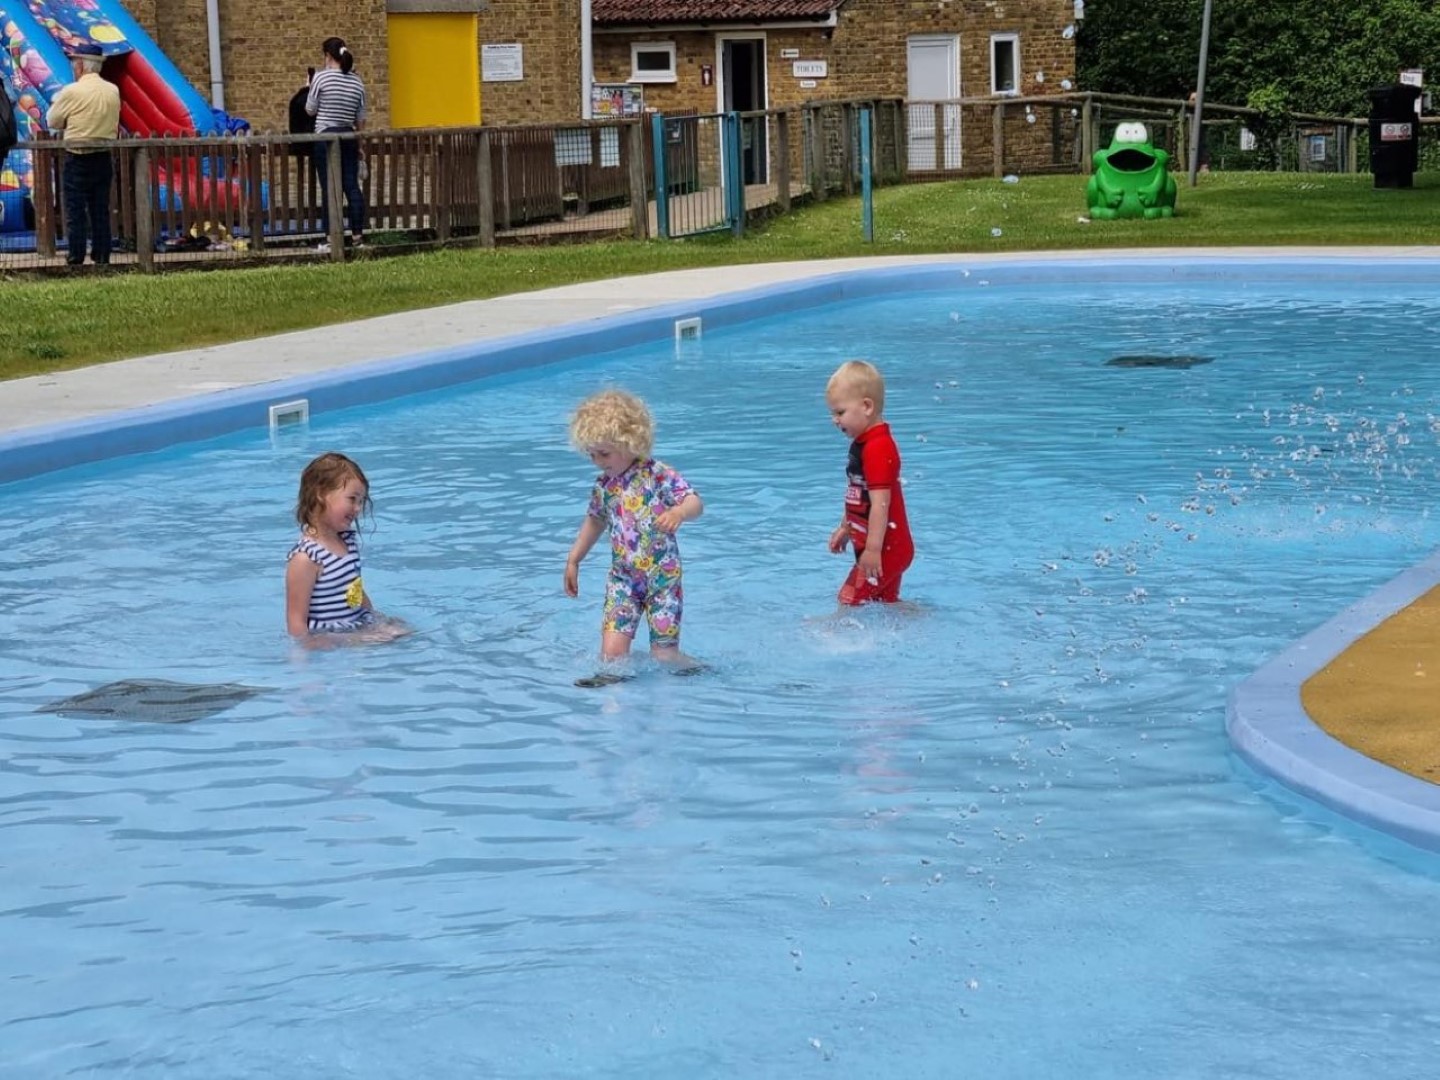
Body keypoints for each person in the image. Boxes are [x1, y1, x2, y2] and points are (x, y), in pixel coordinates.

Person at [564, 389, 703, 663]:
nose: (597, 462)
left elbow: (695, 503)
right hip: (623, 580)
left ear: (630, 442)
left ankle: (697, 670)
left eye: (604, 454)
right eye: (591, 455)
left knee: (664, 656)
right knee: (611, 654)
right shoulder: (604, 486)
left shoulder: (658, 475)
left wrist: (679, 512)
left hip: (663, 580)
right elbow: (595, 520)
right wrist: (574, 559)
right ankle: (613, 694)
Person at [286, 452, 408, 646]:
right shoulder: (306, 558)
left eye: (361, 501)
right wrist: (303, 664)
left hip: (353, 625)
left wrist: (375, 620)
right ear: (321, 494)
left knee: (404, 631)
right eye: (352, 499)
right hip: (328, 637)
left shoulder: (347, 542)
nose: (358, 508)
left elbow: (355, 591)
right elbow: (296, 625)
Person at [825, 360, 914, 605]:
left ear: (866, 406)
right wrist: (846, 527)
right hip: (889, 547)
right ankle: (919, 621)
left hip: (886, 549)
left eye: (840, 412)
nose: (835, 420)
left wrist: (873, 551)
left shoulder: (878, 447)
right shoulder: (864, 444)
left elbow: (880, 505)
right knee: (887, 606)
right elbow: (857, 493)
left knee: (848, 599)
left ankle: (834, 640)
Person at [45, 42, 121, 266]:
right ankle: (102, 255)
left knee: (75, 209)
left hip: (77, 156)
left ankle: (76, 256)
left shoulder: (72, 91)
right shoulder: (113, 90)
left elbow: (53, 120)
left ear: (80, 66)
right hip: (103, 155)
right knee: (100, 209)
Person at [305, 37, 367, 251]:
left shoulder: (320, 79)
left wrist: (308, 87)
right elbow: (360, 119)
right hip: (348, 137)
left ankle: (331, 238)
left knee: (330, 187)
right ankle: (357, 236)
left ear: (328, 56)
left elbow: (310, 110)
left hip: (326, 138)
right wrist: (360, 144)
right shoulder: (357, 81)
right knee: (352, 186)